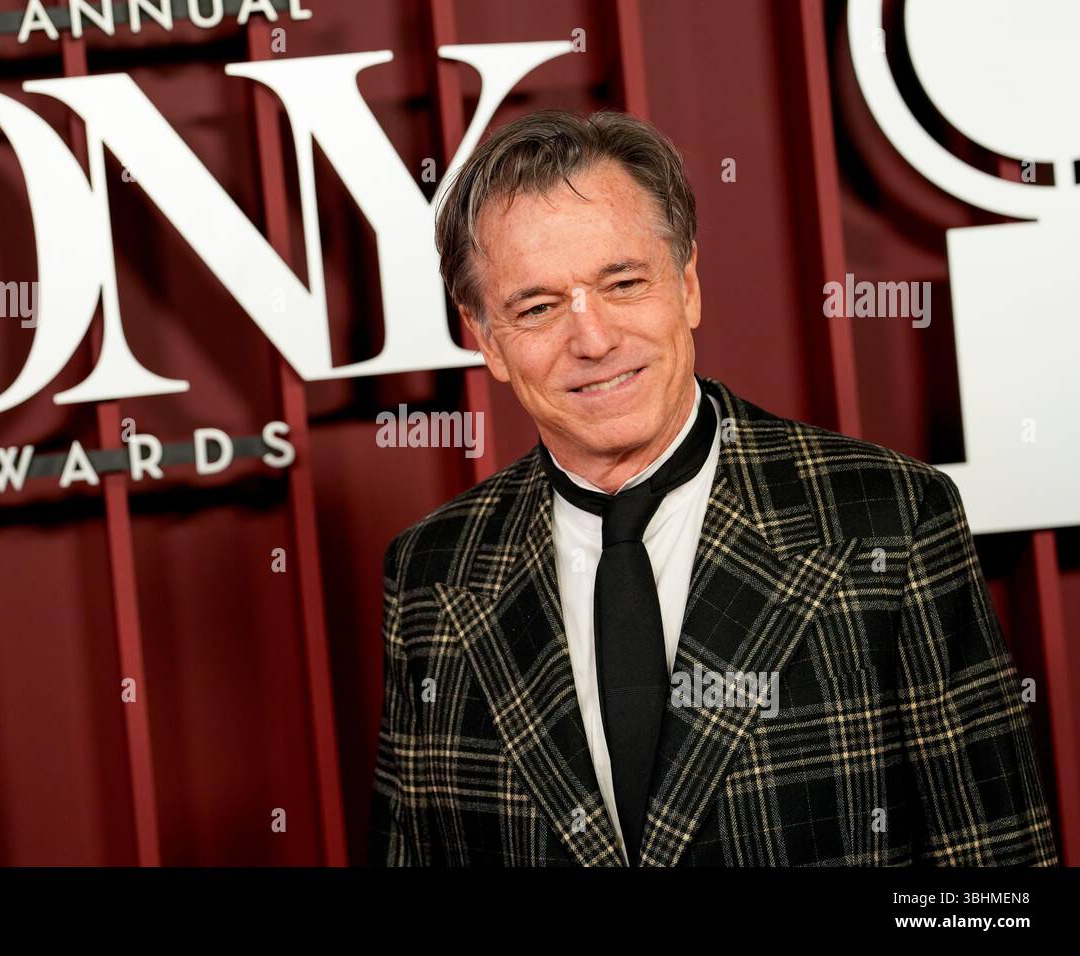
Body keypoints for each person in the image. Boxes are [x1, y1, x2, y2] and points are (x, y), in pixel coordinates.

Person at [367, 108, 1058, 866]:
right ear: (486, 338)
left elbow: (996, 883)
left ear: (688, 284)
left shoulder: (889, 519)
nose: (593, 340)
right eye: (536, 307)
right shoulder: (432, 572)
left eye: (624, 283)